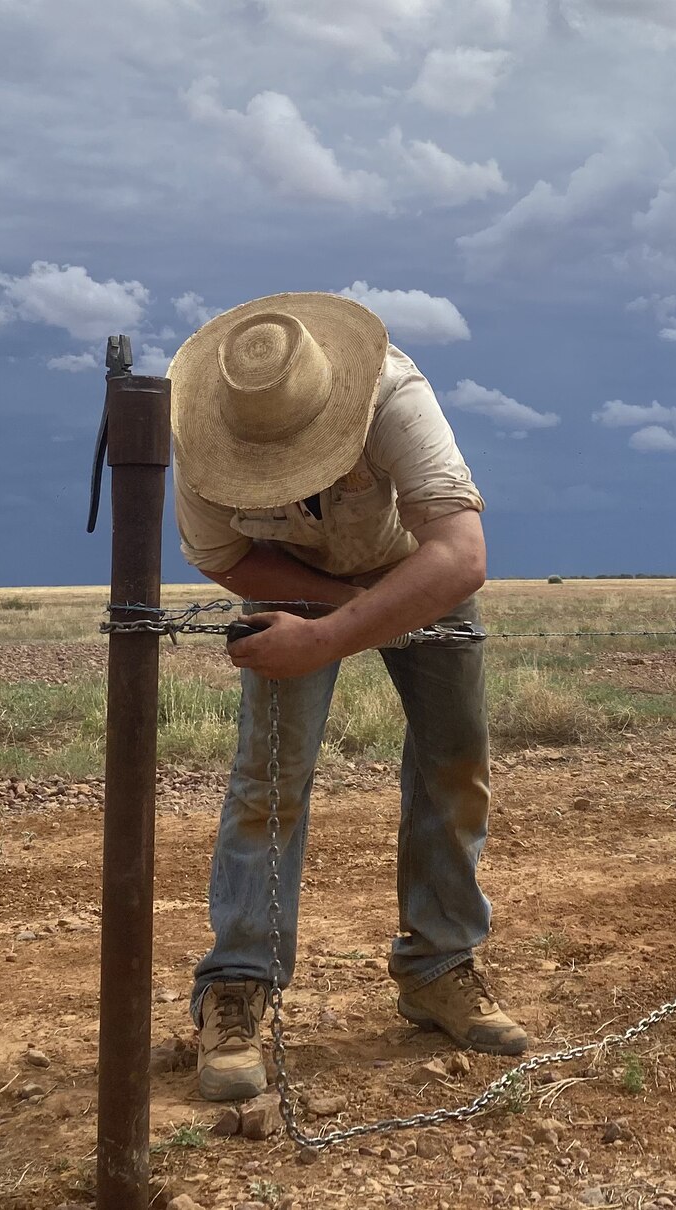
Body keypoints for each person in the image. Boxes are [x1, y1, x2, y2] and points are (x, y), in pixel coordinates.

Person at [168, 291, 529, 1103]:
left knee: (454, 766)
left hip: (421, 574)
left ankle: (438, 967)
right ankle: (237, 985)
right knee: (268, 779)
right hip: (294, 582)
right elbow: (222, 554)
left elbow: (460, 555)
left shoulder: (393, 394)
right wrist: (332, 614)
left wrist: (334, 633)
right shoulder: (201, 429)